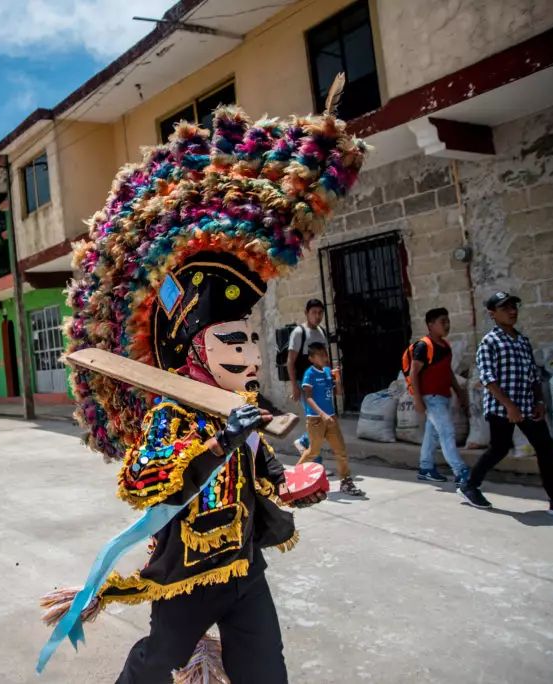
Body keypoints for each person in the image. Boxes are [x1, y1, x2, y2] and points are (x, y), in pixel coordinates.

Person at [36, 102, 366, 681]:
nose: (251, 356)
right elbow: (143, 486)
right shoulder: (175, 413)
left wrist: (292, 486)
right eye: (233, 341)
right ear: (195, 350)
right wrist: (215, 448)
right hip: (189, 575)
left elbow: (262, 480)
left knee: (267, 671)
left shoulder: (248, 409)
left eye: (253, 342)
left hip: (245, 569)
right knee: (157, 661)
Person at [458, 293, 553, 516]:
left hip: (527, 406)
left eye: (513, 307)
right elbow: (488, 379)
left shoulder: (522, 341)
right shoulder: (489, 342)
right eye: (505, 308)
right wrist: (510, 406)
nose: (512, 311)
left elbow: (533, 375)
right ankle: (469, 485)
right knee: (499, 449)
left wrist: (539, 401)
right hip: (502, 408)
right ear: (492, 314)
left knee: (547, 448)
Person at [408, 308, 470, 484]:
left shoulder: (445, 346)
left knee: (433, 433)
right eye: (443, 322)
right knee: (447, 431)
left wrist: (459, 392)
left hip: (444, 396)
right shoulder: (423, 346)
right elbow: (414, 373)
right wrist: (418, 399)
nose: (447, 325)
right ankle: (460, 471)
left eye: (448, 321)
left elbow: (448, 371)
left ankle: (425, 468)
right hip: (432, 397)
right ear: (430, 325)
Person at [295, 342, 364, 496]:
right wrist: (322, 414)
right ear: (312, 359)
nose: (325, 357)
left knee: (340, 450)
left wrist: (338, 381)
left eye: (325, 354)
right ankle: (292, 478)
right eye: (320, 355)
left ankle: (346, 482)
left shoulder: (327, 371)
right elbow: (309, 398)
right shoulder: (309, 374)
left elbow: (338, 393)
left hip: (331, 418)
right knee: (313, 451)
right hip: (316, 419)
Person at [285, 299, 333, 473]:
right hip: (305, 385)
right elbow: (290, 361)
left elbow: (325, 360)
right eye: (314, 312)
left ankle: (304, 442)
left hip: (321, 385)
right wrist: (295, 386)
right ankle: (317, 465)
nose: (318, 316)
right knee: (315, 422)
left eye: (320, 312)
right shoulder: (299, 333)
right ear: (307, 313)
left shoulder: (322, 332)